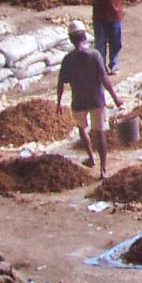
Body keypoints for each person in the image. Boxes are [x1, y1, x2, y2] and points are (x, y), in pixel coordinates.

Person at [55, 20, 122, 175]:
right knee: (100, 133)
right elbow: (104, 79)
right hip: (96, 100)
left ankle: (91, 157)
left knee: (82, 129)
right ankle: (103, 169)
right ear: (84, 36)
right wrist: (115, 97)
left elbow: (60, 83)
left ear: (71, 39)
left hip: (79, 102)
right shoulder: (94, 55)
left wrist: (58, 103)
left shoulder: (68, 59)